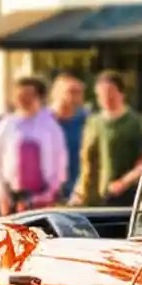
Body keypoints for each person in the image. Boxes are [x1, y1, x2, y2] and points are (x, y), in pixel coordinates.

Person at [0, 76, 69, 215]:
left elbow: (60, 162)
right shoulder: (5, 126)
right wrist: (2, 196)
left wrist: (51, 193)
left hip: (44, 197)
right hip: (13, 197)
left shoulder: (51, 127)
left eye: (29, 95)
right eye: (20, 95)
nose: (24, 99)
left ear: (40, 97)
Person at [70, 71, 142, 207]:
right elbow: (87, 162)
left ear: (121, 93)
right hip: (95, 198)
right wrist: (79, 192)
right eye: (101, 94)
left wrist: (124, 182)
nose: (106, 97)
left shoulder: (134, 123)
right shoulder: (93, 122)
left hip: (126, 196)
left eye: (110, 92)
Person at [50, 72, 88, 203]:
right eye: (71, 92)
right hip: (48, 195)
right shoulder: (43, 122)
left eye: (79, 92)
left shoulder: (86, 121)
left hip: (79, 194)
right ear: (56, 94)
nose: (77, 97)